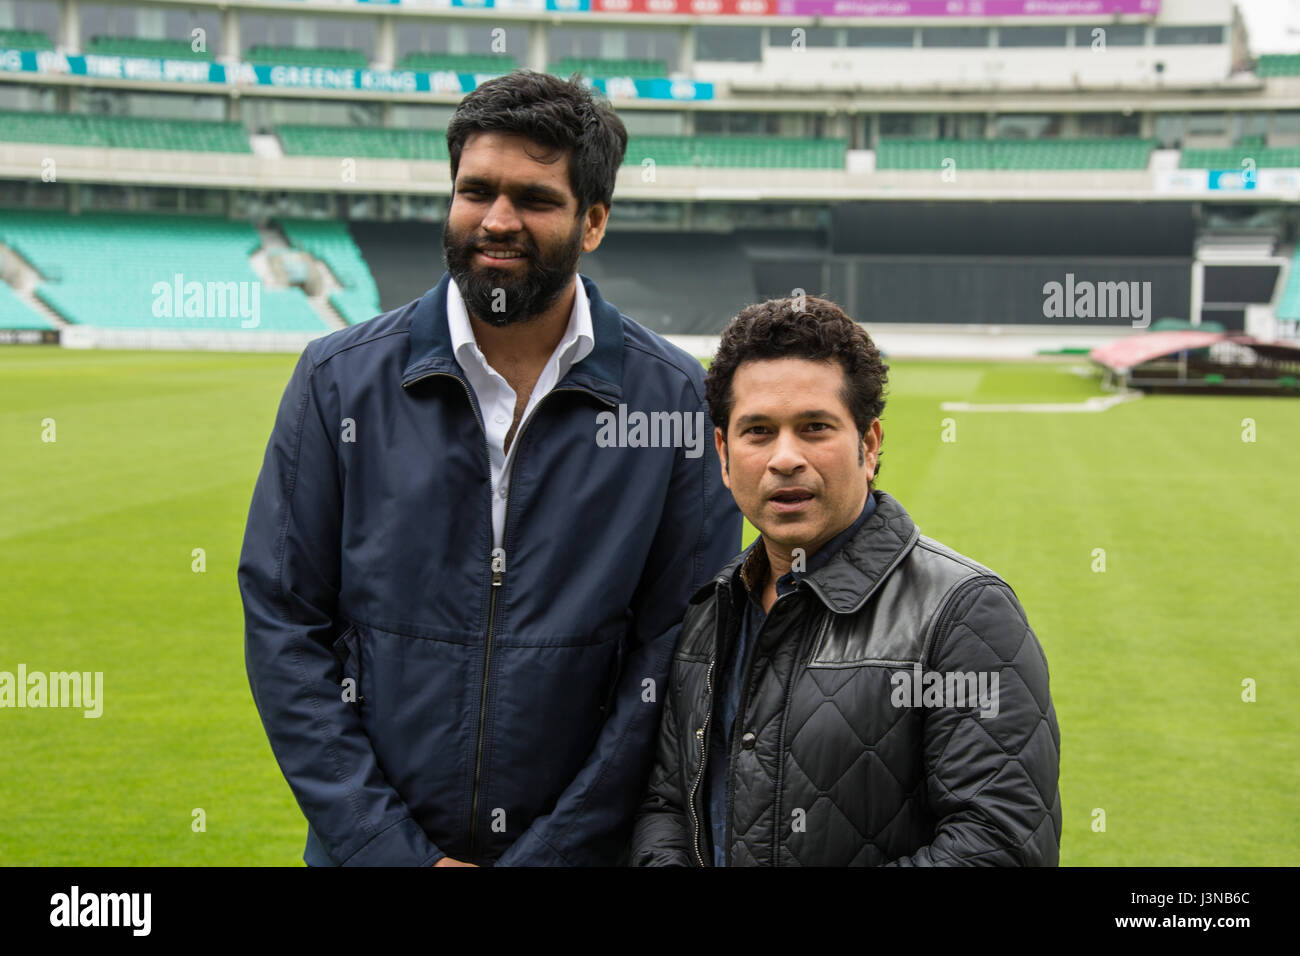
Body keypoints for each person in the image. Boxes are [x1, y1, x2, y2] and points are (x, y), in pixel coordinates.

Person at [239, 70, 741, 867]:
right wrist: (390, 851)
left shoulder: (677, 399)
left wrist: (554, 855)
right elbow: (283, 626)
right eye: (476, 191)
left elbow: (678, 658)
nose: (497, 221)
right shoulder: (337, 380)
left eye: (535, 199)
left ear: (594, 222)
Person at [630, 295, 1061, 866]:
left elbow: (999, 847)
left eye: (814, 427)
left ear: (870, 444)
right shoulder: (711, 608)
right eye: (758, 431)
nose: (785, 458)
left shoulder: (964, 612)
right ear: (723, 454)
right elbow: (666, 804)